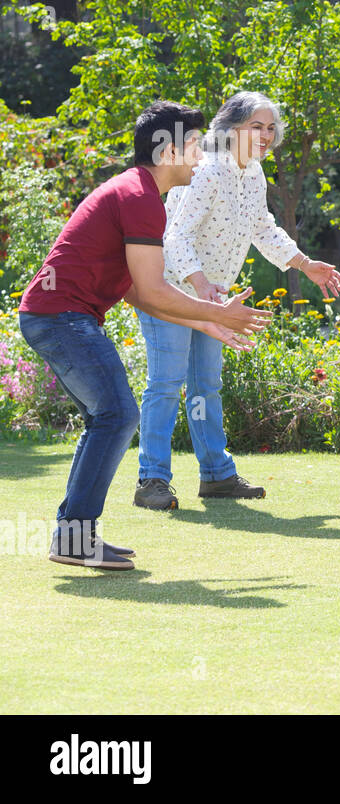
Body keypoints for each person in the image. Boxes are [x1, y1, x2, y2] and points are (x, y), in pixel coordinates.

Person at [17, 101, 270, 570]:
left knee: (108, 416)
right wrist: (219, 313)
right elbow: (155, 290)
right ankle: (74, 537)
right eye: (194, 145)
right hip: (60, 316)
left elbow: (138, 291)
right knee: (117, 415)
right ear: (167, 150)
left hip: (60, 316)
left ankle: (73, 535)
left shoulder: (139, 197)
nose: (201, 154)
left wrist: (205, 320)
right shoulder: (140, 199)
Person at [133, 92, 340, 511]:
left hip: (212, 299)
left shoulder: (254, 174)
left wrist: (305, 265)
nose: (266, 135)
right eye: (256, 127)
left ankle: (216, 476)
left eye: (270, 128)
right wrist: (200, 284)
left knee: (206, 386)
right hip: (171, 290)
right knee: (166, 384)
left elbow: (263, 227)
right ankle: (151, 481)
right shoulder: (208, 170)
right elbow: (175, 236)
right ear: (230, 129)